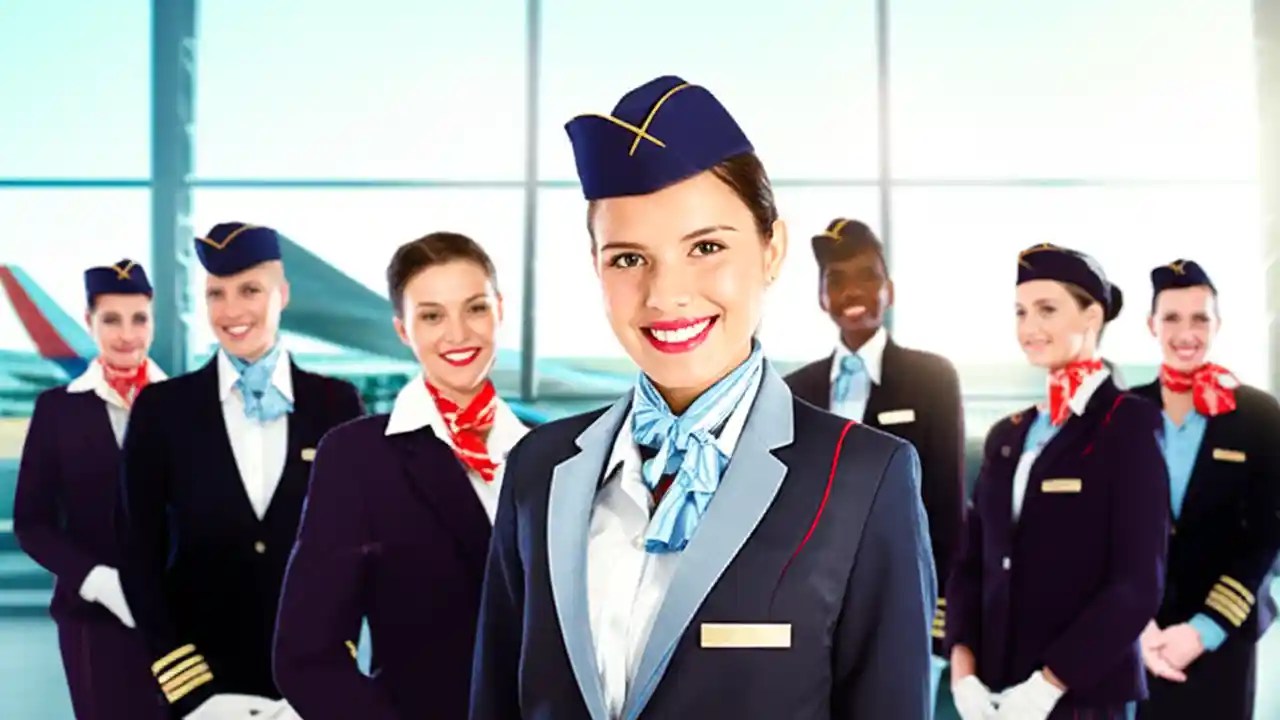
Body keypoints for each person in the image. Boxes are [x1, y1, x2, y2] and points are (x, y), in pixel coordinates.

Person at [469, 75, 937, 720]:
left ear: (772, 250)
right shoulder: (539, 469)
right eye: (629, 259)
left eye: (707, 248)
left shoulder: (865, 476)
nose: (665, 295)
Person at [273, 232, 528, 719]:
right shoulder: (358, 457)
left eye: (474, 309)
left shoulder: (551, 453)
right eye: (432, 316)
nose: (457, 335)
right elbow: (306, 657)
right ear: (403, 331)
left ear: (500, 309)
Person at [118, 223, 365, 719]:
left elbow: (353, 552)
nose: (231, 311)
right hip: (202, 692)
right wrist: (192, 694)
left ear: (282, 294)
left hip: (309, 692)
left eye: (249, 290)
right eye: (216, 294)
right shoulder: (161, 409)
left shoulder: (335, 404)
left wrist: (328, 673)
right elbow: (136, 554)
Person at [946, 243, 1170, 720]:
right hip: (994, 691)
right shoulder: (1009, 433)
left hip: (1082, 696)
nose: (1030, 328)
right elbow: (972, 563)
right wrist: (962, 673)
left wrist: (1047, 686)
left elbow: (1137, 585)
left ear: (1093, 316)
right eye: (1021, 312)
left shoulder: (1128, 423)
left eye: (1048, 310)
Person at [784, 217, 964, 690]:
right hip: (814, 608)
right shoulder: (794, 390)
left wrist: (937, 615)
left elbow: (945, 504)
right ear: (822, 296)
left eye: (867, 275)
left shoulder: (931, 378)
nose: (852, 290)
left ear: (890, 290)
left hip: (904, 600)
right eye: (836, 279)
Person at [14, 259, 168, 719]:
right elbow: (32, 524)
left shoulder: (183, 402)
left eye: (139, 318)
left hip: (178, 615)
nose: (127, 334)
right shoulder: (58, 410)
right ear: (89, 323)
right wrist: (98, 582)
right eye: (111, 320)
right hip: (91, 621)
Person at [1131, 259, 1280, 720]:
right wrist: (1135, 626)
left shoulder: (1258, 416)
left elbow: (1266, 538)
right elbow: (1103, 531)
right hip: (1136, 636)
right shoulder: (1123, 411)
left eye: (1200, 318)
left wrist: (1202, 631)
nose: (1186, 332)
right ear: (1151, 324)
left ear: (1218, 325)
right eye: (1172, 318)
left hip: (1221, 633)